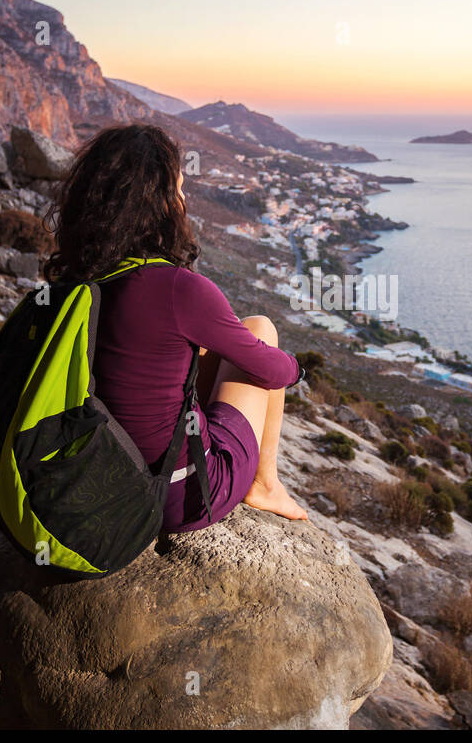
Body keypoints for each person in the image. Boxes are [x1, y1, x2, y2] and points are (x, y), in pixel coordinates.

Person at [43, 123, 309, 532]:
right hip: (175, 498)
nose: (183, 200)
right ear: (157, 202)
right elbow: (271, 372)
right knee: (261, 329)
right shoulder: (178, 288)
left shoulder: (79, 279)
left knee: (194, 351)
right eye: (178, 190)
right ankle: (265, 484)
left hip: (106, 482)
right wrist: (298, 368)